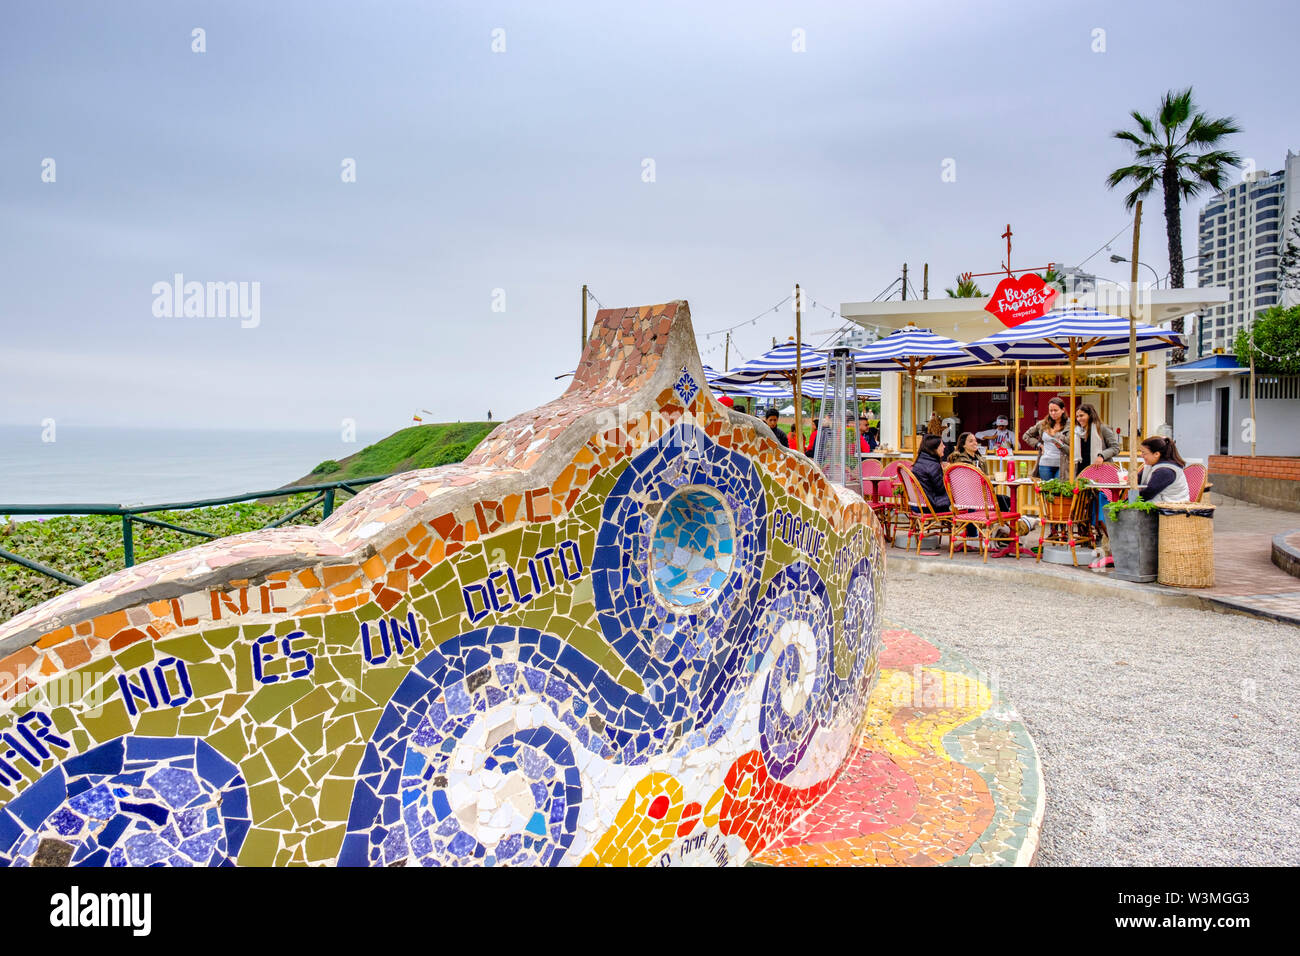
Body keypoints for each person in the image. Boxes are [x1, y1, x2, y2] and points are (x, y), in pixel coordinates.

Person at [1021, 397, 1070, 480]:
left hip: (1062, 464)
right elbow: (1026, 436)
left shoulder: (1070, 424)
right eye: (1051, 410)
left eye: (1056, 410)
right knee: (1046, 490)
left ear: (1063, 410)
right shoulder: (1042, 424)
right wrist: (1039, 444)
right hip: (1045, 464)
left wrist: (1058, 437)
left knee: (1058, 490)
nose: (1053, 413)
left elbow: (1072, 442)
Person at [1137, 436, 1191, 503]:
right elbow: (1137, 480)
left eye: (1144, 453)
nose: (1141, 455)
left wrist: (1127, 502)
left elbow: (1148, 493)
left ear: (1156, 454)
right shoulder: (1152, 466)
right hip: (1158, 504)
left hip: (1169, 509)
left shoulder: (1165, 471)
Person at [909, 434, 950, 512]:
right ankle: (970, 523)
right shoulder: (933, 465)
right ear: (934, 449)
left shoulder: (920, 462)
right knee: (965, 498)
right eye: (941, 445)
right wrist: (946, 474)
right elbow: (941, 489)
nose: (944, 447)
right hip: (932, 506)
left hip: (917, 505)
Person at [1073, 402, 1120, 468]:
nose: (1079, 419)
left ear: (1090, 415)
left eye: (1081, 415)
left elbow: (1115, 448)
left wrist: (1102, 456)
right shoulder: (1077, 432)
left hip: (1100, 469)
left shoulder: (1102, 428)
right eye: (1077, 416)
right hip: (1081, 470)